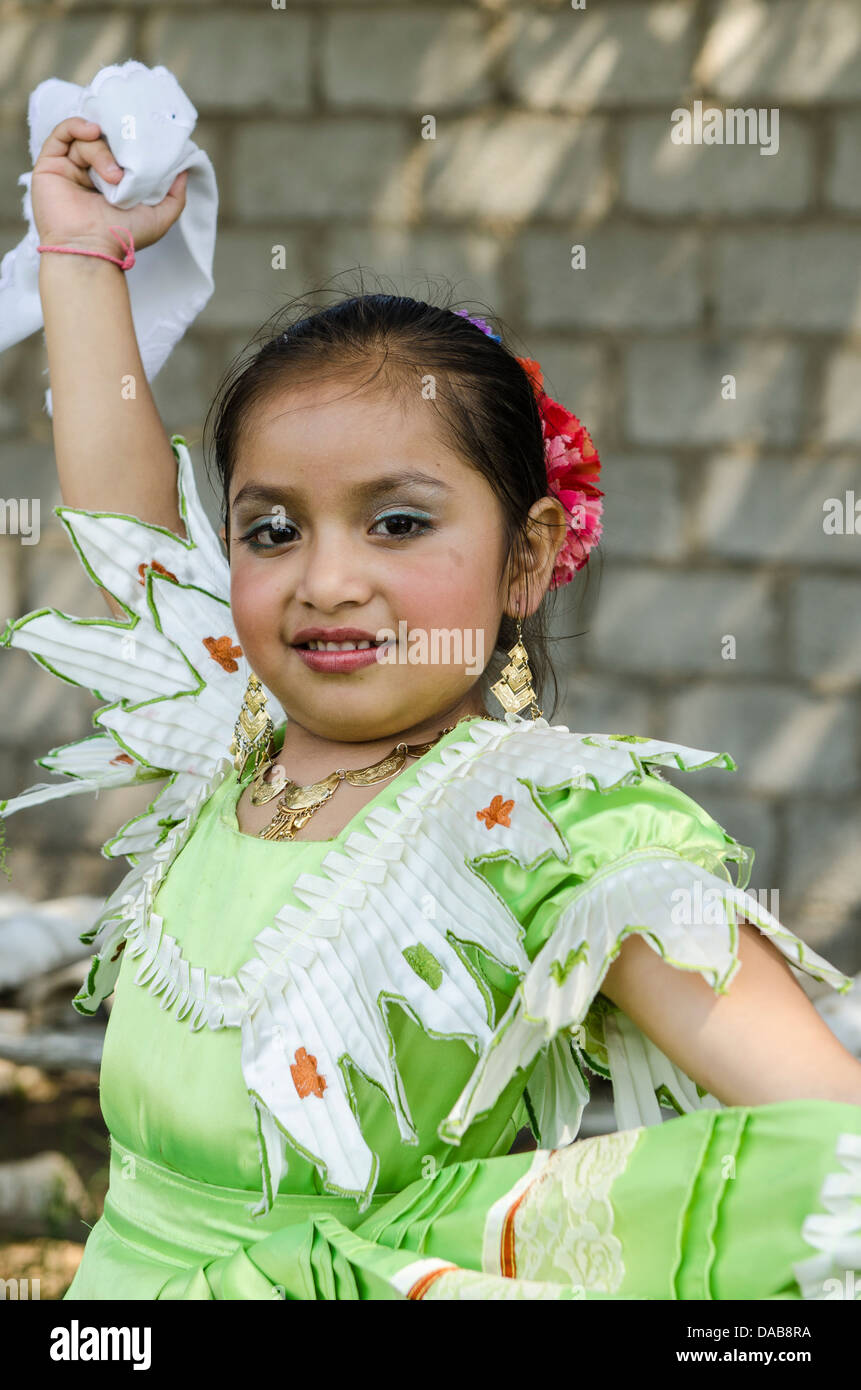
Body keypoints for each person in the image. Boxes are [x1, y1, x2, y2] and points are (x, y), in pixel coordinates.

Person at [3, 115, 860, 1302]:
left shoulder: (552, 826)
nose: (326, 576)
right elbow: (128, 528)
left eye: (398, 521)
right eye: (272, 528)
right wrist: (82, 255)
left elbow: (831, 1146)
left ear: (527, 559)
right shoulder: (225, 746)